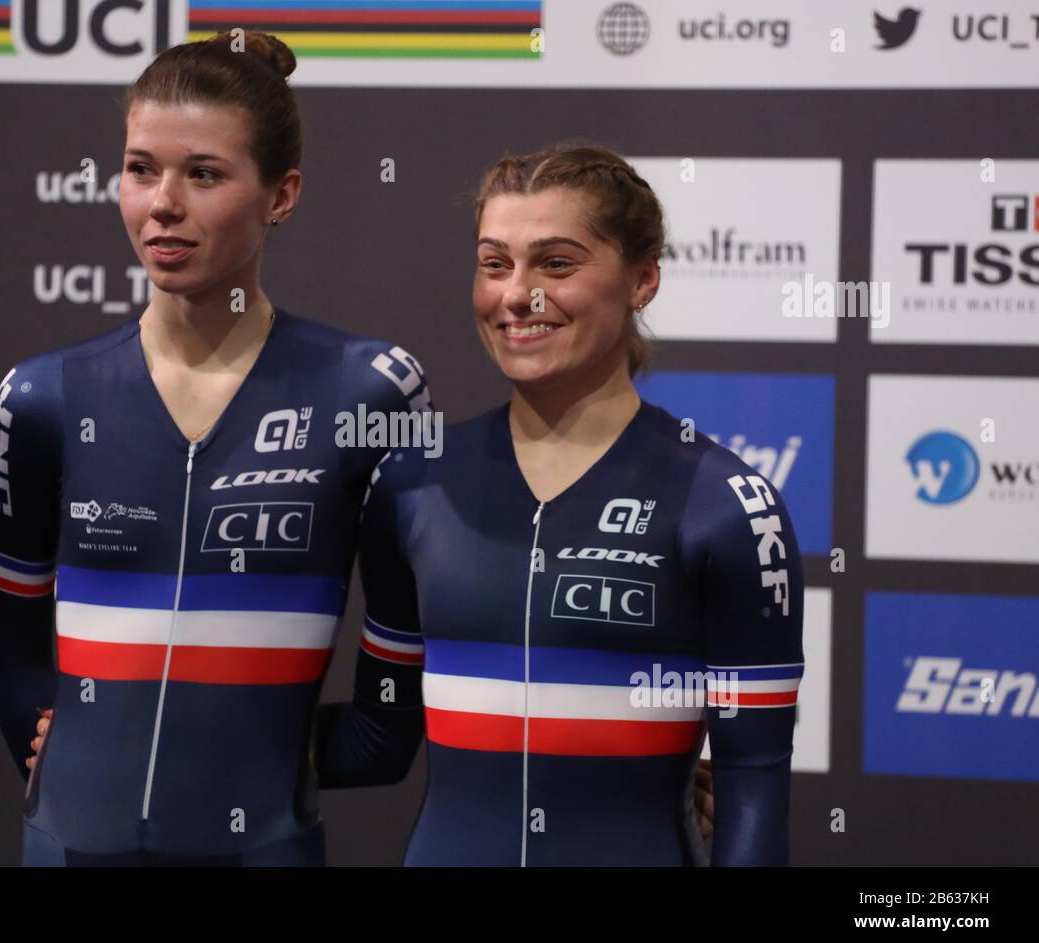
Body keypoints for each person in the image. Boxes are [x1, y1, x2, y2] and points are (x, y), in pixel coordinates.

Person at [0, 31, 432, 866]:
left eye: (205, 174)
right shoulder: (42, 399)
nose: (162, 204)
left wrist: (270, 760)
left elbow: (395, 694)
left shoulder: (371, 392)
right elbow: (7, 649)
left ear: (281, 194)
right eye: (141, 168)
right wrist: (67, 763)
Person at [314, 144, 804, 865]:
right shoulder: (414, 486)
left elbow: (752, 793)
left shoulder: (725, 507)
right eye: (494, 263)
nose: (518, 294)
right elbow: (377, 741)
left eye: (556, 264)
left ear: (642, 280)